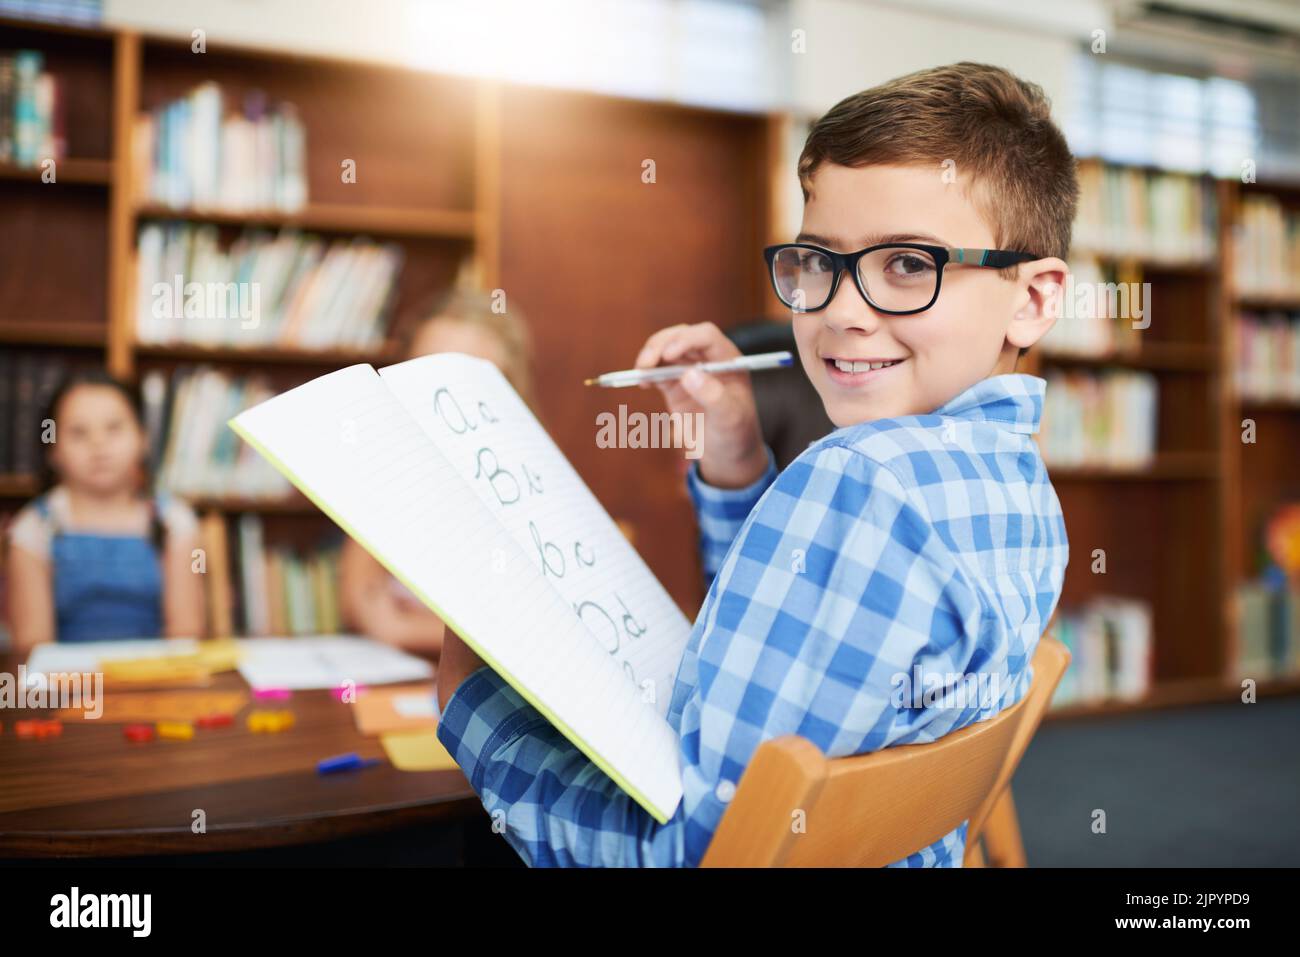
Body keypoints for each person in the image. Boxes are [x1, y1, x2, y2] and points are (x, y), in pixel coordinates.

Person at [434, 62, 1072, 866]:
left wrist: (477, 714)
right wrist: (735, 453)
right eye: (820, 262)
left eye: (909, 264)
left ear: (1036, 298)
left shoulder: (859, 482)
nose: (843, 312)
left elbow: (693, 853)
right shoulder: (1017, 493)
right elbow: (809, 647)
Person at [338, 288, 535, 658]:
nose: (442, 397)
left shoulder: (529, 488)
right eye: (424, 373)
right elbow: (359, 601)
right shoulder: (390, 473)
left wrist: (403, 629)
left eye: (462, 379)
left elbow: (523, 631)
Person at [6, 371, 205, 650]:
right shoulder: (33, 528)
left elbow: (186, 633)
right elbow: (33, 646)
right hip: (69, 688)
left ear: (143, 439)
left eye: (114, 428)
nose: (98, 445)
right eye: (78, 433)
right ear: (52, 449)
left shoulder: (175, 521)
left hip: (156, 682)